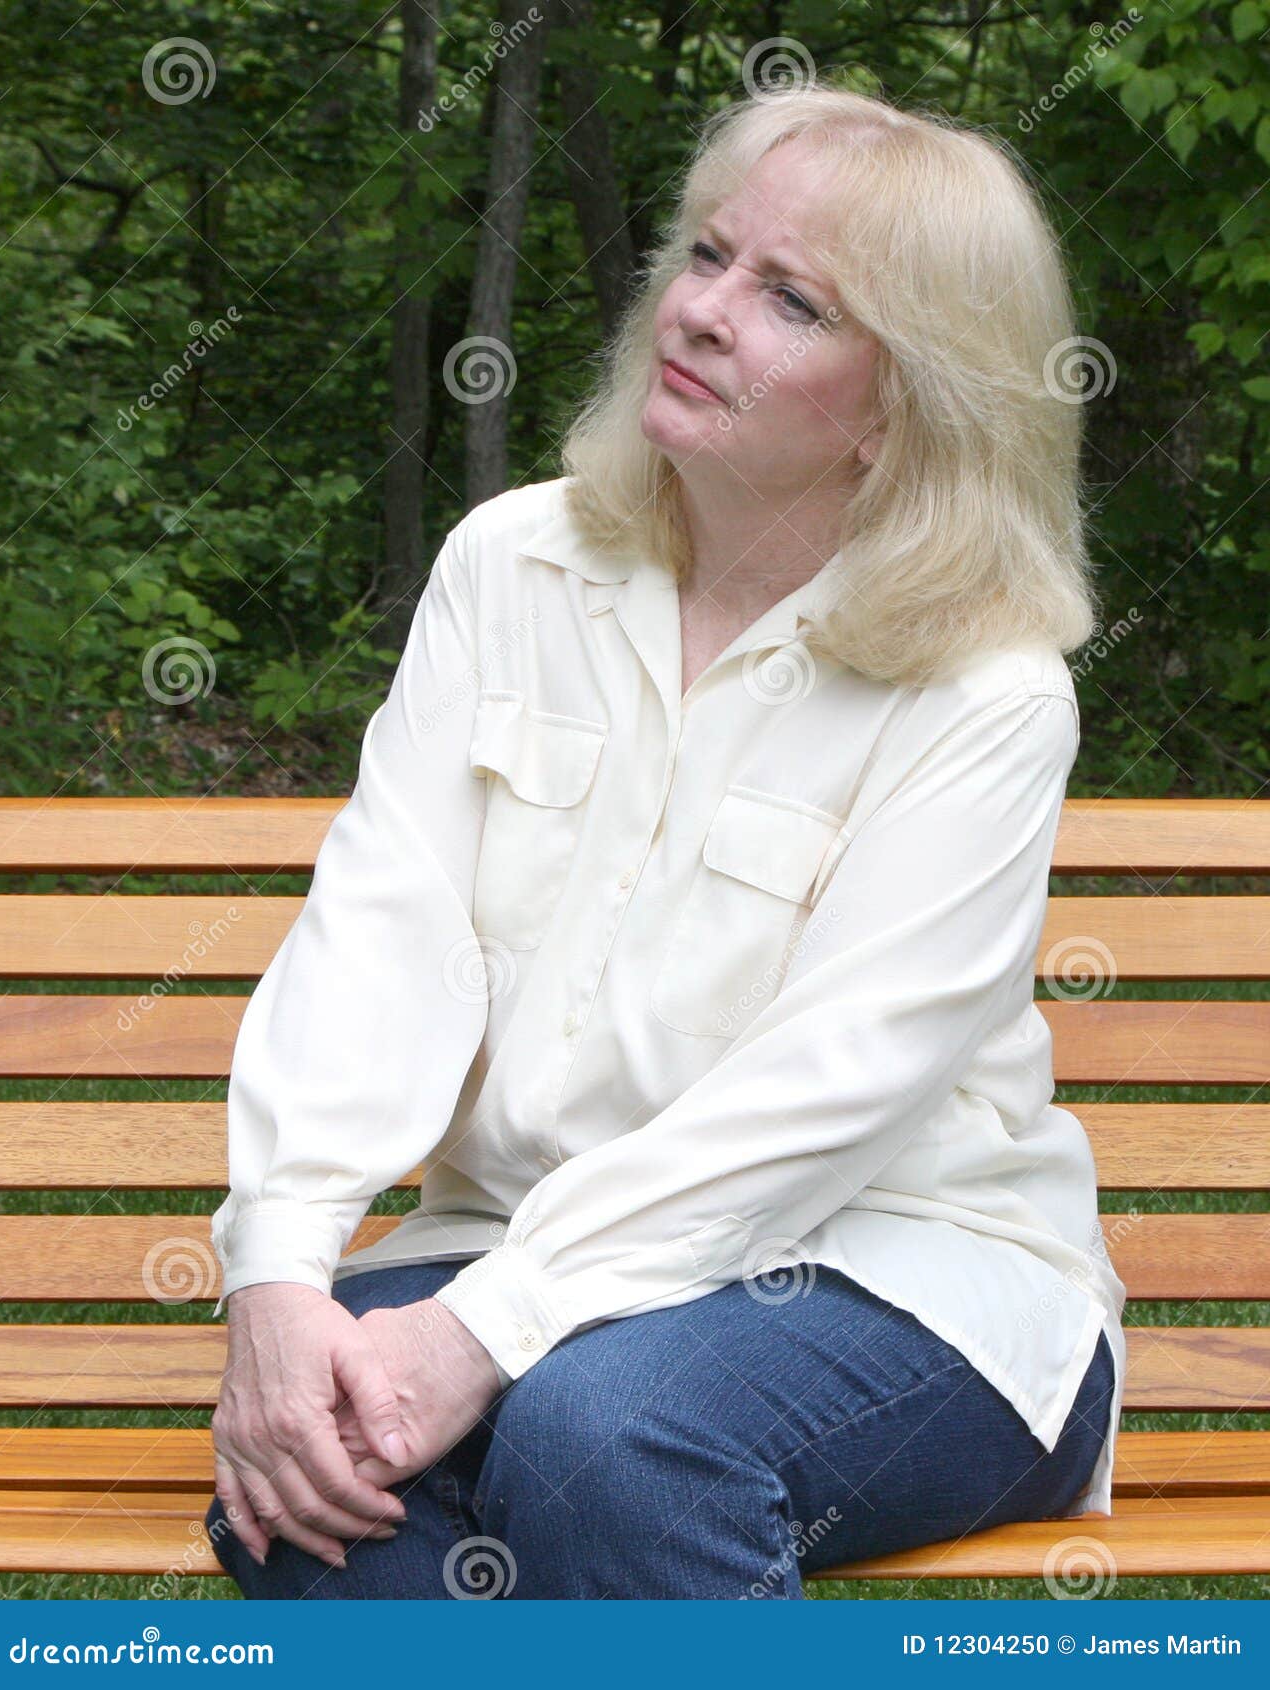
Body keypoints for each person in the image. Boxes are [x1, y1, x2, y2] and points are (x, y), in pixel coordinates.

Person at [203, 78, 1125, 1600]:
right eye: (704, 258)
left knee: (607, 1437)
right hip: (514, 1237)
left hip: (904, 1268)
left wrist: (486, 1332)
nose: (701, 311)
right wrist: (281, 1266)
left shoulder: (985, 685)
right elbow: (384, 920)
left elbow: (822, 1098)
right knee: (306, 1474)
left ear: (908, 401)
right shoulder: (513, 563)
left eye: (791, 301)